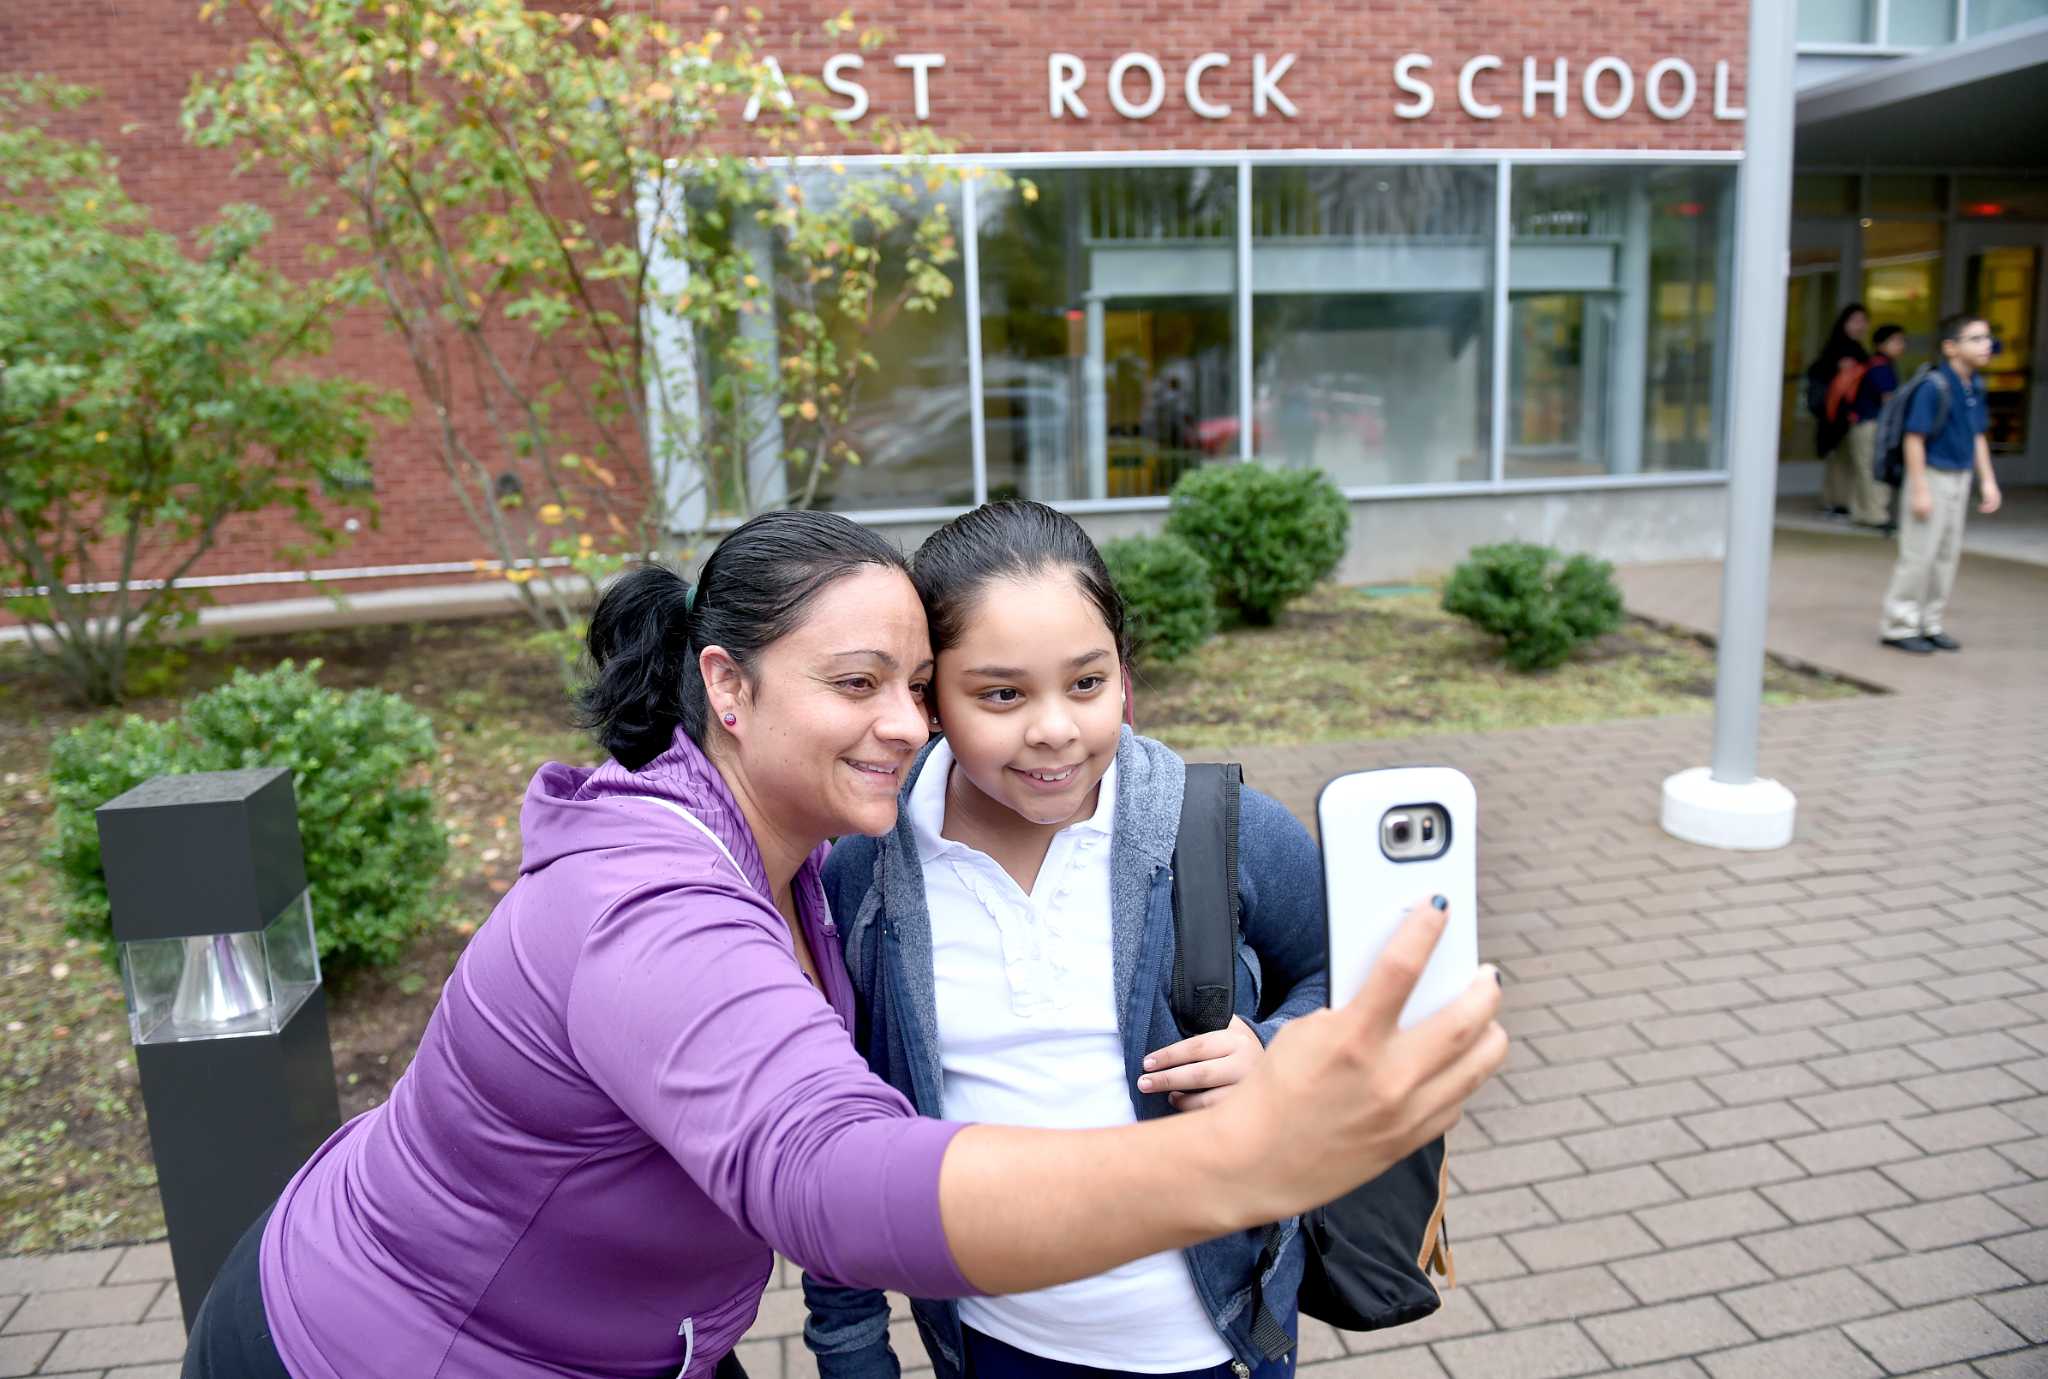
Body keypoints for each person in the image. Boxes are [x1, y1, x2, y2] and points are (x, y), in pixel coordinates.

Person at [179, 509, 1508, 1379]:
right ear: (727, 684)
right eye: (858, 682)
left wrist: (1272, 1057)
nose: (904, 726)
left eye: (914, 685)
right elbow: (826, 1168)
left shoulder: (801, 856)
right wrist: (1240, 1159)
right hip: (380, 1344)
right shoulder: (652, 903)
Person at [803, 502, 1334, 1379]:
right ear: (929, 697)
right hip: (996, 1347)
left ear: (1125, 674)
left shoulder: (1220, 828)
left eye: (1085, 683)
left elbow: (1338, 982)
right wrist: (852, 1346)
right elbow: (829, 1136)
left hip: (1220, 1345)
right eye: (1002, 693)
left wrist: (1275, 1053)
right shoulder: (866, 877)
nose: (1053, 728)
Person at [1880, 313, 2004, 654]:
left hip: (1960, 477)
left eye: (1987, 338)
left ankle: (1929, 622)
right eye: (1975, 339)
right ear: (1950, 347)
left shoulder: (1973, 386)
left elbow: (1978, 435)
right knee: (1919, 553)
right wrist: (1920, 489)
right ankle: (1899, 624)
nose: (1986, 345)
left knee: (1946, 555)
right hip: (1932, 476)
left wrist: (1988, 480)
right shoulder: (1933, 386)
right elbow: (1914, 439)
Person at [1807, 302, 1869, 514]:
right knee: (1841, 460)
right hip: (1839, 415)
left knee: (1843, 460)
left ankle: (1837, 500)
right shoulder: (1839, 352)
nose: (1859, 326)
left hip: (1847, 415)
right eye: (1855, 321)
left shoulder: (1858, 351)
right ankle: (1837, 502)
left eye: (1863, 321)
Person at [1847, 323, 1907, 530]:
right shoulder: (1882, 367)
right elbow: (1889, 401)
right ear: (1882, 344)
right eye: (1897, 341)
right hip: (1872, 426)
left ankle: (1861, 512)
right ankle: (1876, 515)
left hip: (1861, 424)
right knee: (1874, 471)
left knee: (1863, 470)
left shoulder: (1872, 364)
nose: (1901, 346)